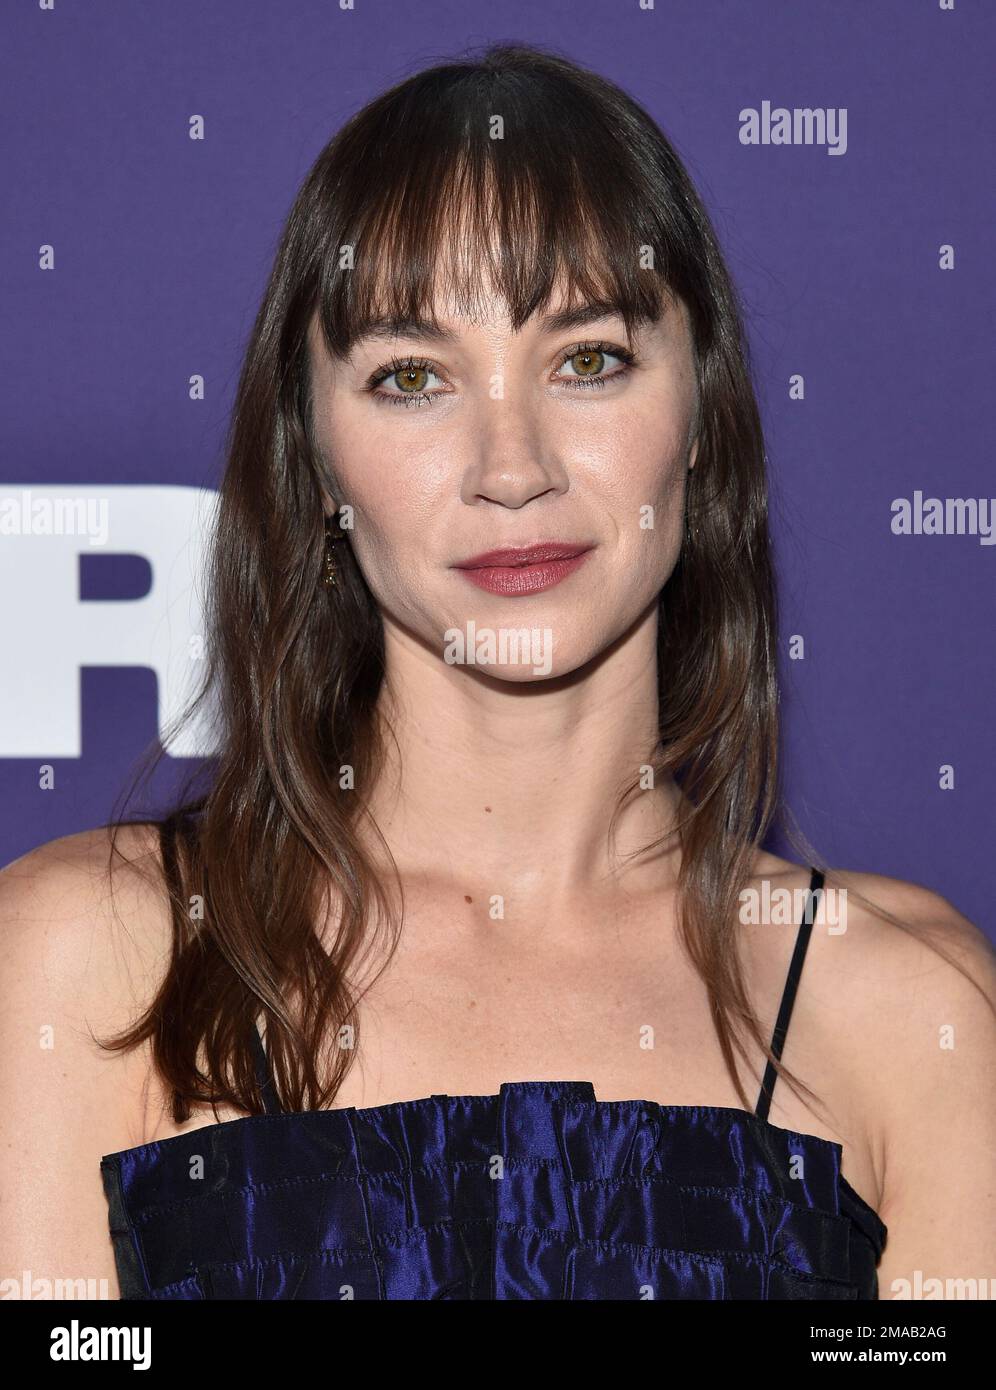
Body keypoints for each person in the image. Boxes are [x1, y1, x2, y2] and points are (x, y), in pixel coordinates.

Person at [1, 43, 992, 1302]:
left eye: (588, 359)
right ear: (314, 467)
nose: (510, 465)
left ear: (703, 418)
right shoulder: (90, 962)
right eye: (412, 378)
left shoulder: (912, 1012)